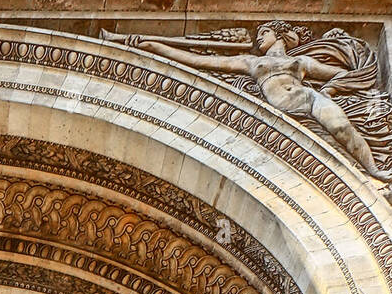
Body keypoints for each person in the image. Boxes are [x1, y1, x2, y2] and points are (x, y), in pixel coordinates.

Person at [130, 22, 392, 183]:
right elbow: (199, 62)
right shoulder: (252, 62)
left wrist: (332, 89)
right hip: (283, 109)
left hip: (312, 99)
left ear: (278, 35)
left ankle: (373, 170)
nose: (258, 38)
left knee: (344, 129)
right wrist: (153, 45)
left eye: (264, 32)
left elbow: (339, 73)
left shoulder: (300, 62)